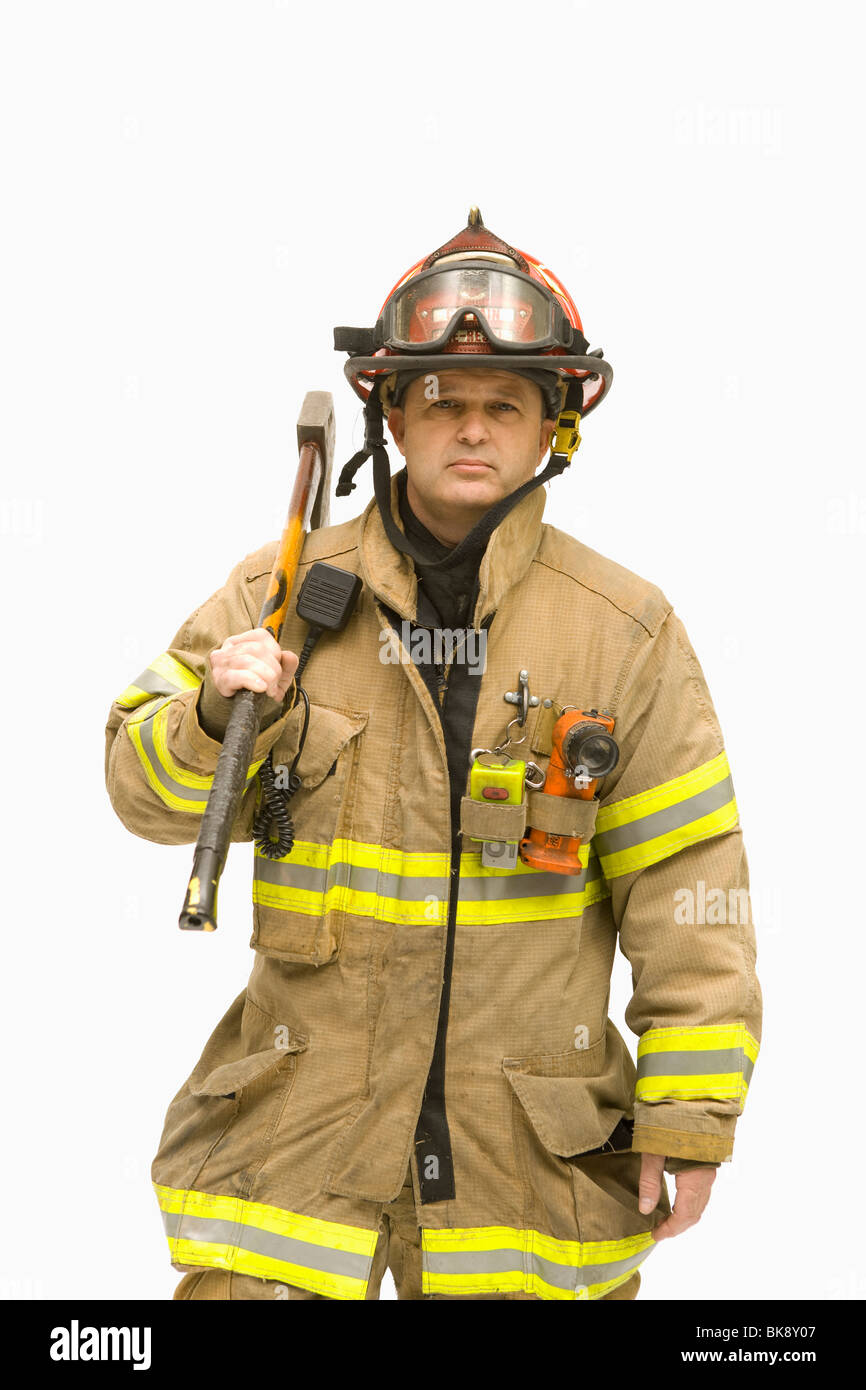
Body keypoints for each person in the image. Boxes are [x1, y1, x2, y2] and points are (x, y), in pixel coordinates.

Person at [105, 209, 762, 1301]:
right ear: (391, 418)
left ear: (552, 426)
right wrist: (217, 715)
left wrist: (688, 1115)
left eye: (502, 405)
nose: (470, 428)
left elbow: (689, 882)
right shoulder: (276, 597)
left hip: (522, 1172)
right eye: (440, 401)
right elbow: (139, 790)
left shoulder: (624, 629)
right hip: (295, 1151)